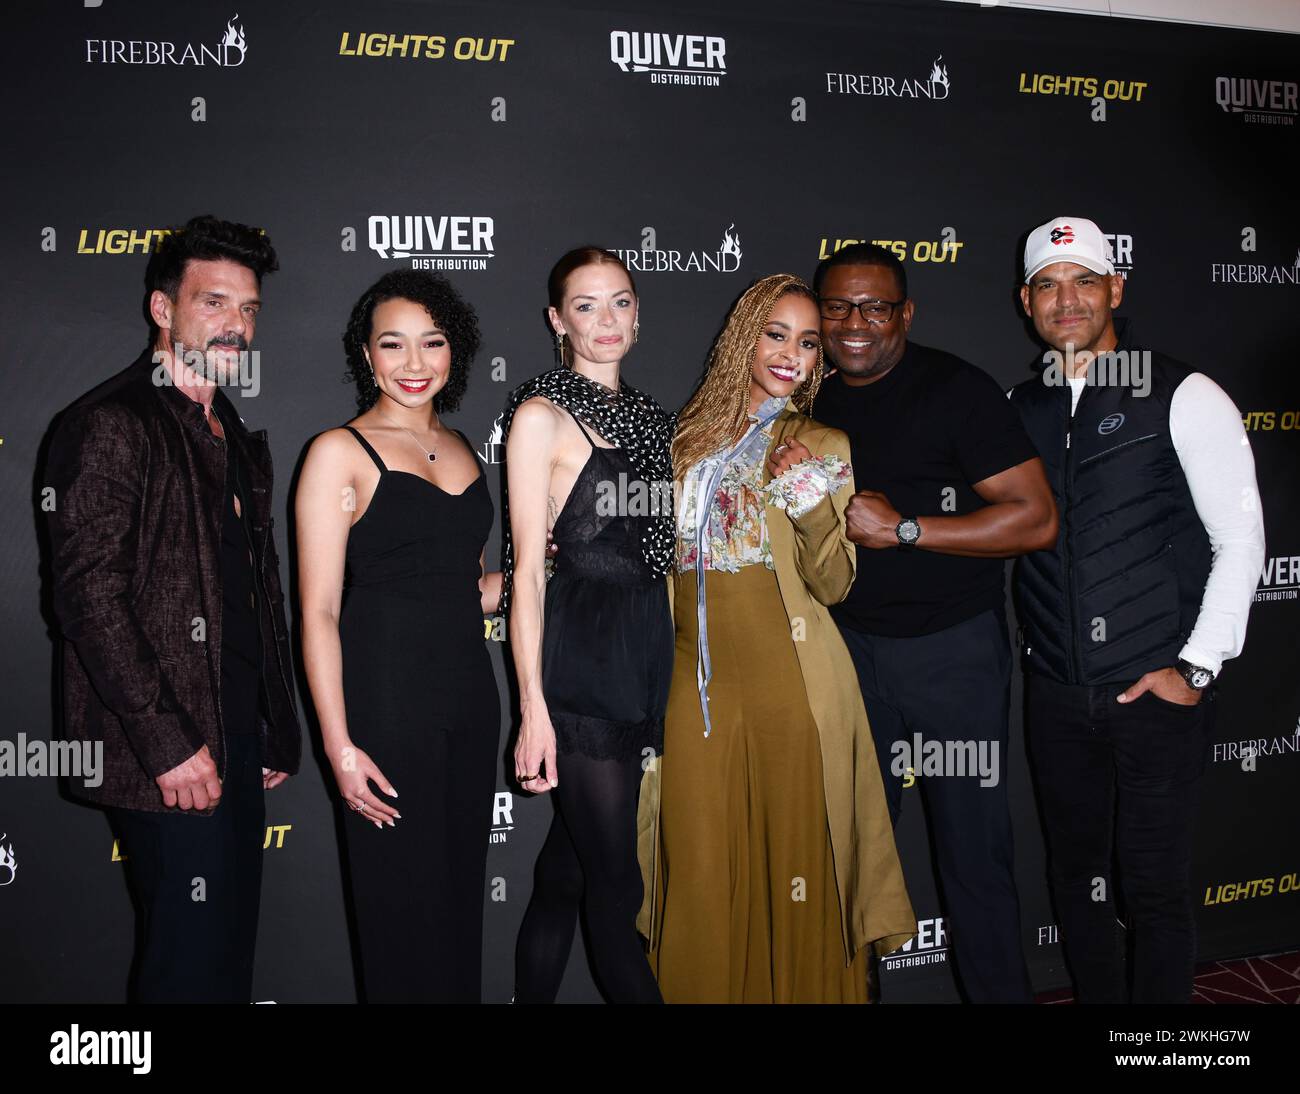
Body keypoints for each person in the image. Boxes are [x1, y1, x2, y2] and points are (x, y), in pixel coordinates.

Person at [1009, 216, 1265, 1003]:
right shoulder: (1020, 405)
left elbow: (1243, 538)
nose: (1068, 299)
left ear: (1116, 287)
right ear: (1027, 303)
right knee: (1076, 879)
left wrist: (1195, 667)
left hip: (1153, 691)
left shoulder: (1185, 392)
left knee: (1152, 891)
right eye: (1049, 285)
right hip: (1056, 692)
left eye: (1085, 279)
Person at [45, 214, 300, 1003]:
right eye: (214, 302)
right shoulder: (112, 423)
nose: (236, 324)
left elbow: (249, 593)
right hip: (166, 752)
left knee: (223, 965)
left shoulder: (228, 428)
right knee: (185, 972)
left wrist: (265, 722)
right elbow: (88, 598)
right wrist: (165, 743)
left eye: (248, 307)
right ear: (163, 309)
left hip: (231, 738)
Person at [642, 273, 915, 1003]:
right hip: (692, 686)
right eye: (776, 334)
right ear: (743, 338)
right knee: (698, 860)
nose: (792, 354)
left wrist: (811, 504)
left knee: (798, 868)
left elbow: (835, 583)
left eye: (808, 342)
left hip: (788, 684)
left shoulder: (821, 441)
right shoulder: (683, 439)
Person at [810, 242, 1057, 1003]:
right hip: (849, 657)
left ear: (905, 313)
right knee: (850, 858)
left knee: (972, 858)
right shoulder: (805, 395)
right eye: (838, 307)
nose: (855, 323)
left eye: (875, 307)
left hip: (951, 659)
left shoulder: (958, 390)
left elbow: (1036, 520)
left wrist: (907, 529)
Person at [296, 270, 500, 1003]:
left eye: (432, 343)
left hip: (471, 701)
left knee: (456, 905)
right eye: (394, 345)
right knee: (399, 909)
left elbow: (468, 591)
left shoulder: (466, 446)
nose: (415, 364)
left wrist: (548, 570)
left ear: (456, 349)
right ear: (366, 354)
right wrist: (338, 744)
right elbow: (317, 610)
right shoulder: (338, 452)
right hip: (385, 703)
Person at [502, 247, 674, 1004]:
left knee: (565, 869)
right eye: (586, 305)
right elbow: (527, 575)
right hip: (582, 661)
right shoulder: (541, 414)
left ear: (637, 312)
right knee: (616, 882)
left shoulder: (651, 416)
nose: (607, 321)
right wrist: (532, 711)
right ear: (556, 320)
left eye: (621, 302)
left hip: (641, 654)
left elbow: (660, 554)